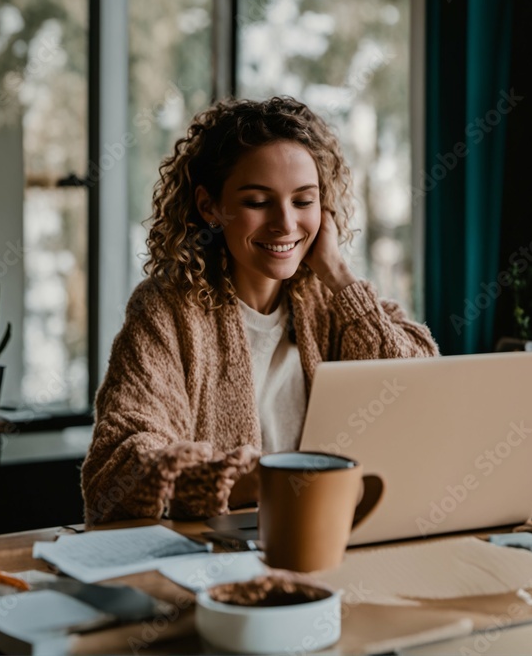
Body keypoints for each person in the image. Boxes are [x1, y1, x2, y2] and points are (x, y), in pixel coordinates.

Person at [81, 96, 439, 525]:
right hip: (212, 559)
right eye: (257, 202)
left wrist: (338, 272)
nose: (285, 224)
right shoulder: (167, 310)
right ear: (209, 206)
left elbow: (421, 393)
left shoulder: (334, 302)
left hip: (342, 542)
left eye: (303, 201)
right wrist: (236, 481)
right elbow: (118, 463)